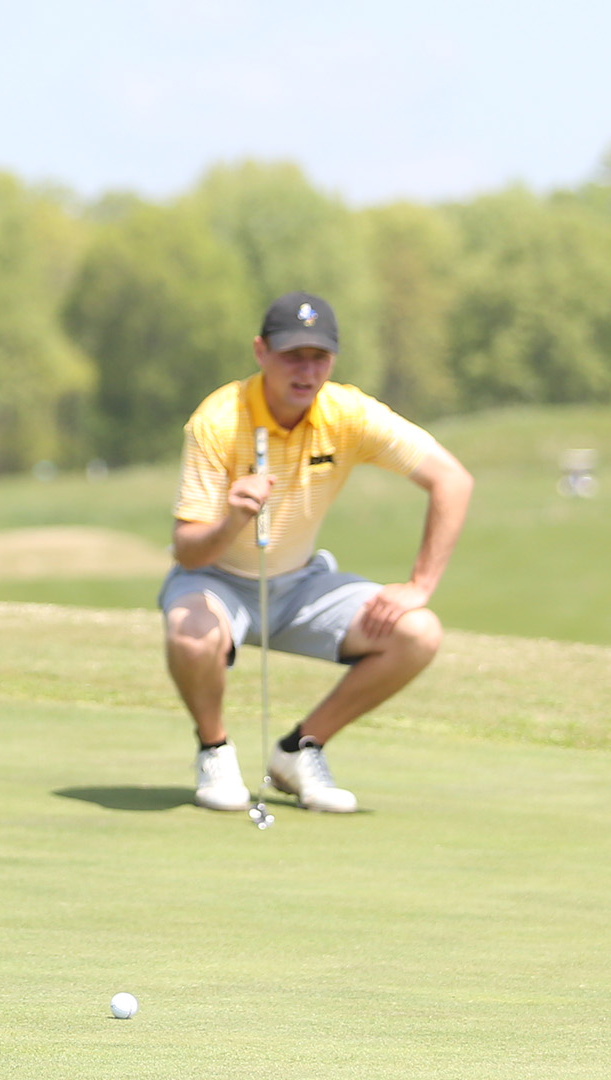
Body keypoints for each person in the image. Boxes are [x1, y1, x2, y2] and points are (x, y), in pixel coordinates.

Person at [161, 292, 474, 814]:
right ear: (261, 352)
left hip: (301, 585)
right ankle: (214, 749)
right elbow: (188, 551)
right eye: (292, 356)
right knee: (190, 636)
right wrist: (233, 518)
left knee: (418, 632)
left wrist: (420, 585)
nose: (306, 371)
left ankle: (300, 751)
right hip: (217, 580)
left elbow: (452, 480)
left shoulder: (346, 412)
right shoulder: (217, 420)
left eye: (319, 357)